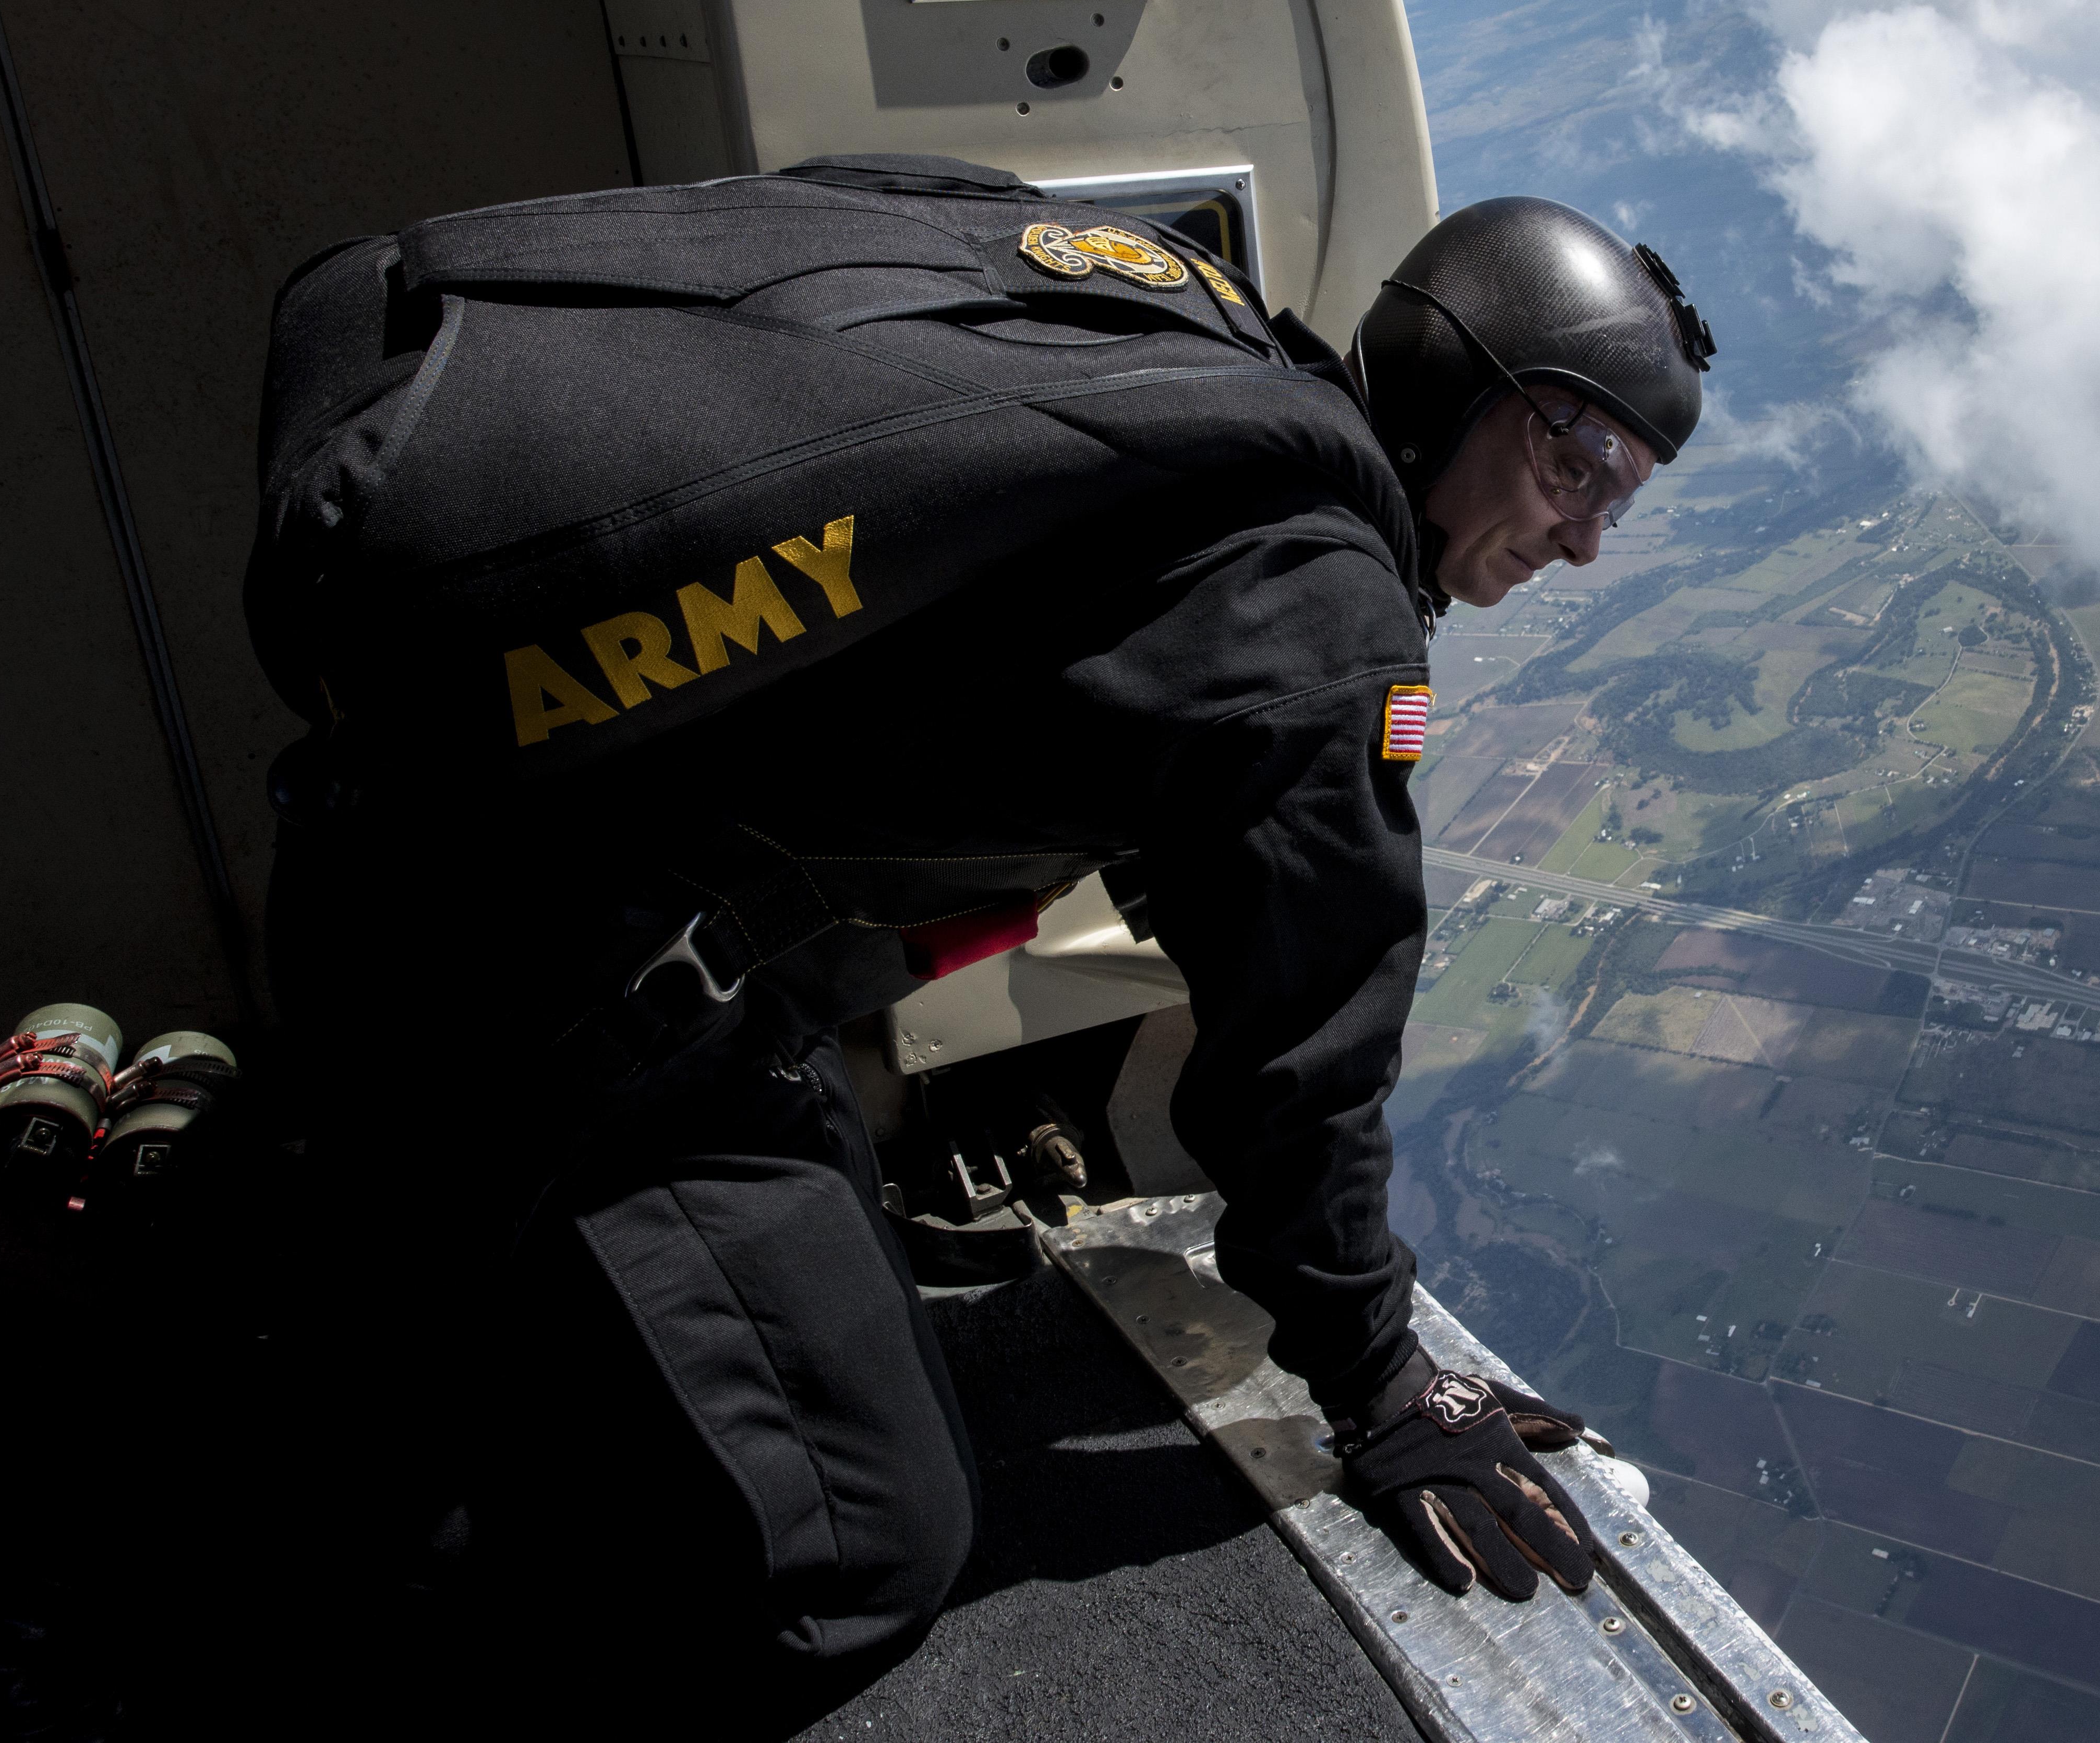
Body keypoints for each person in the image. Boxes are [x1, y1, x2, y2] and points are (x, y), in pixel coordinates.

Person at [250, 160, 1716, 1690]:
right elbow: (1307, 1066)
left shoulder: (1180, 346)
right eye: (1580, 464)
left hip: (434, 872)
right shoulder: (1322, 626)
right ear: (1456, 391)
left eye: (1617, 493)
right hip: (538, 1000)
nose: (1586, 538)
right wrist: (1383, 1383)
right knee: (858, 1558)